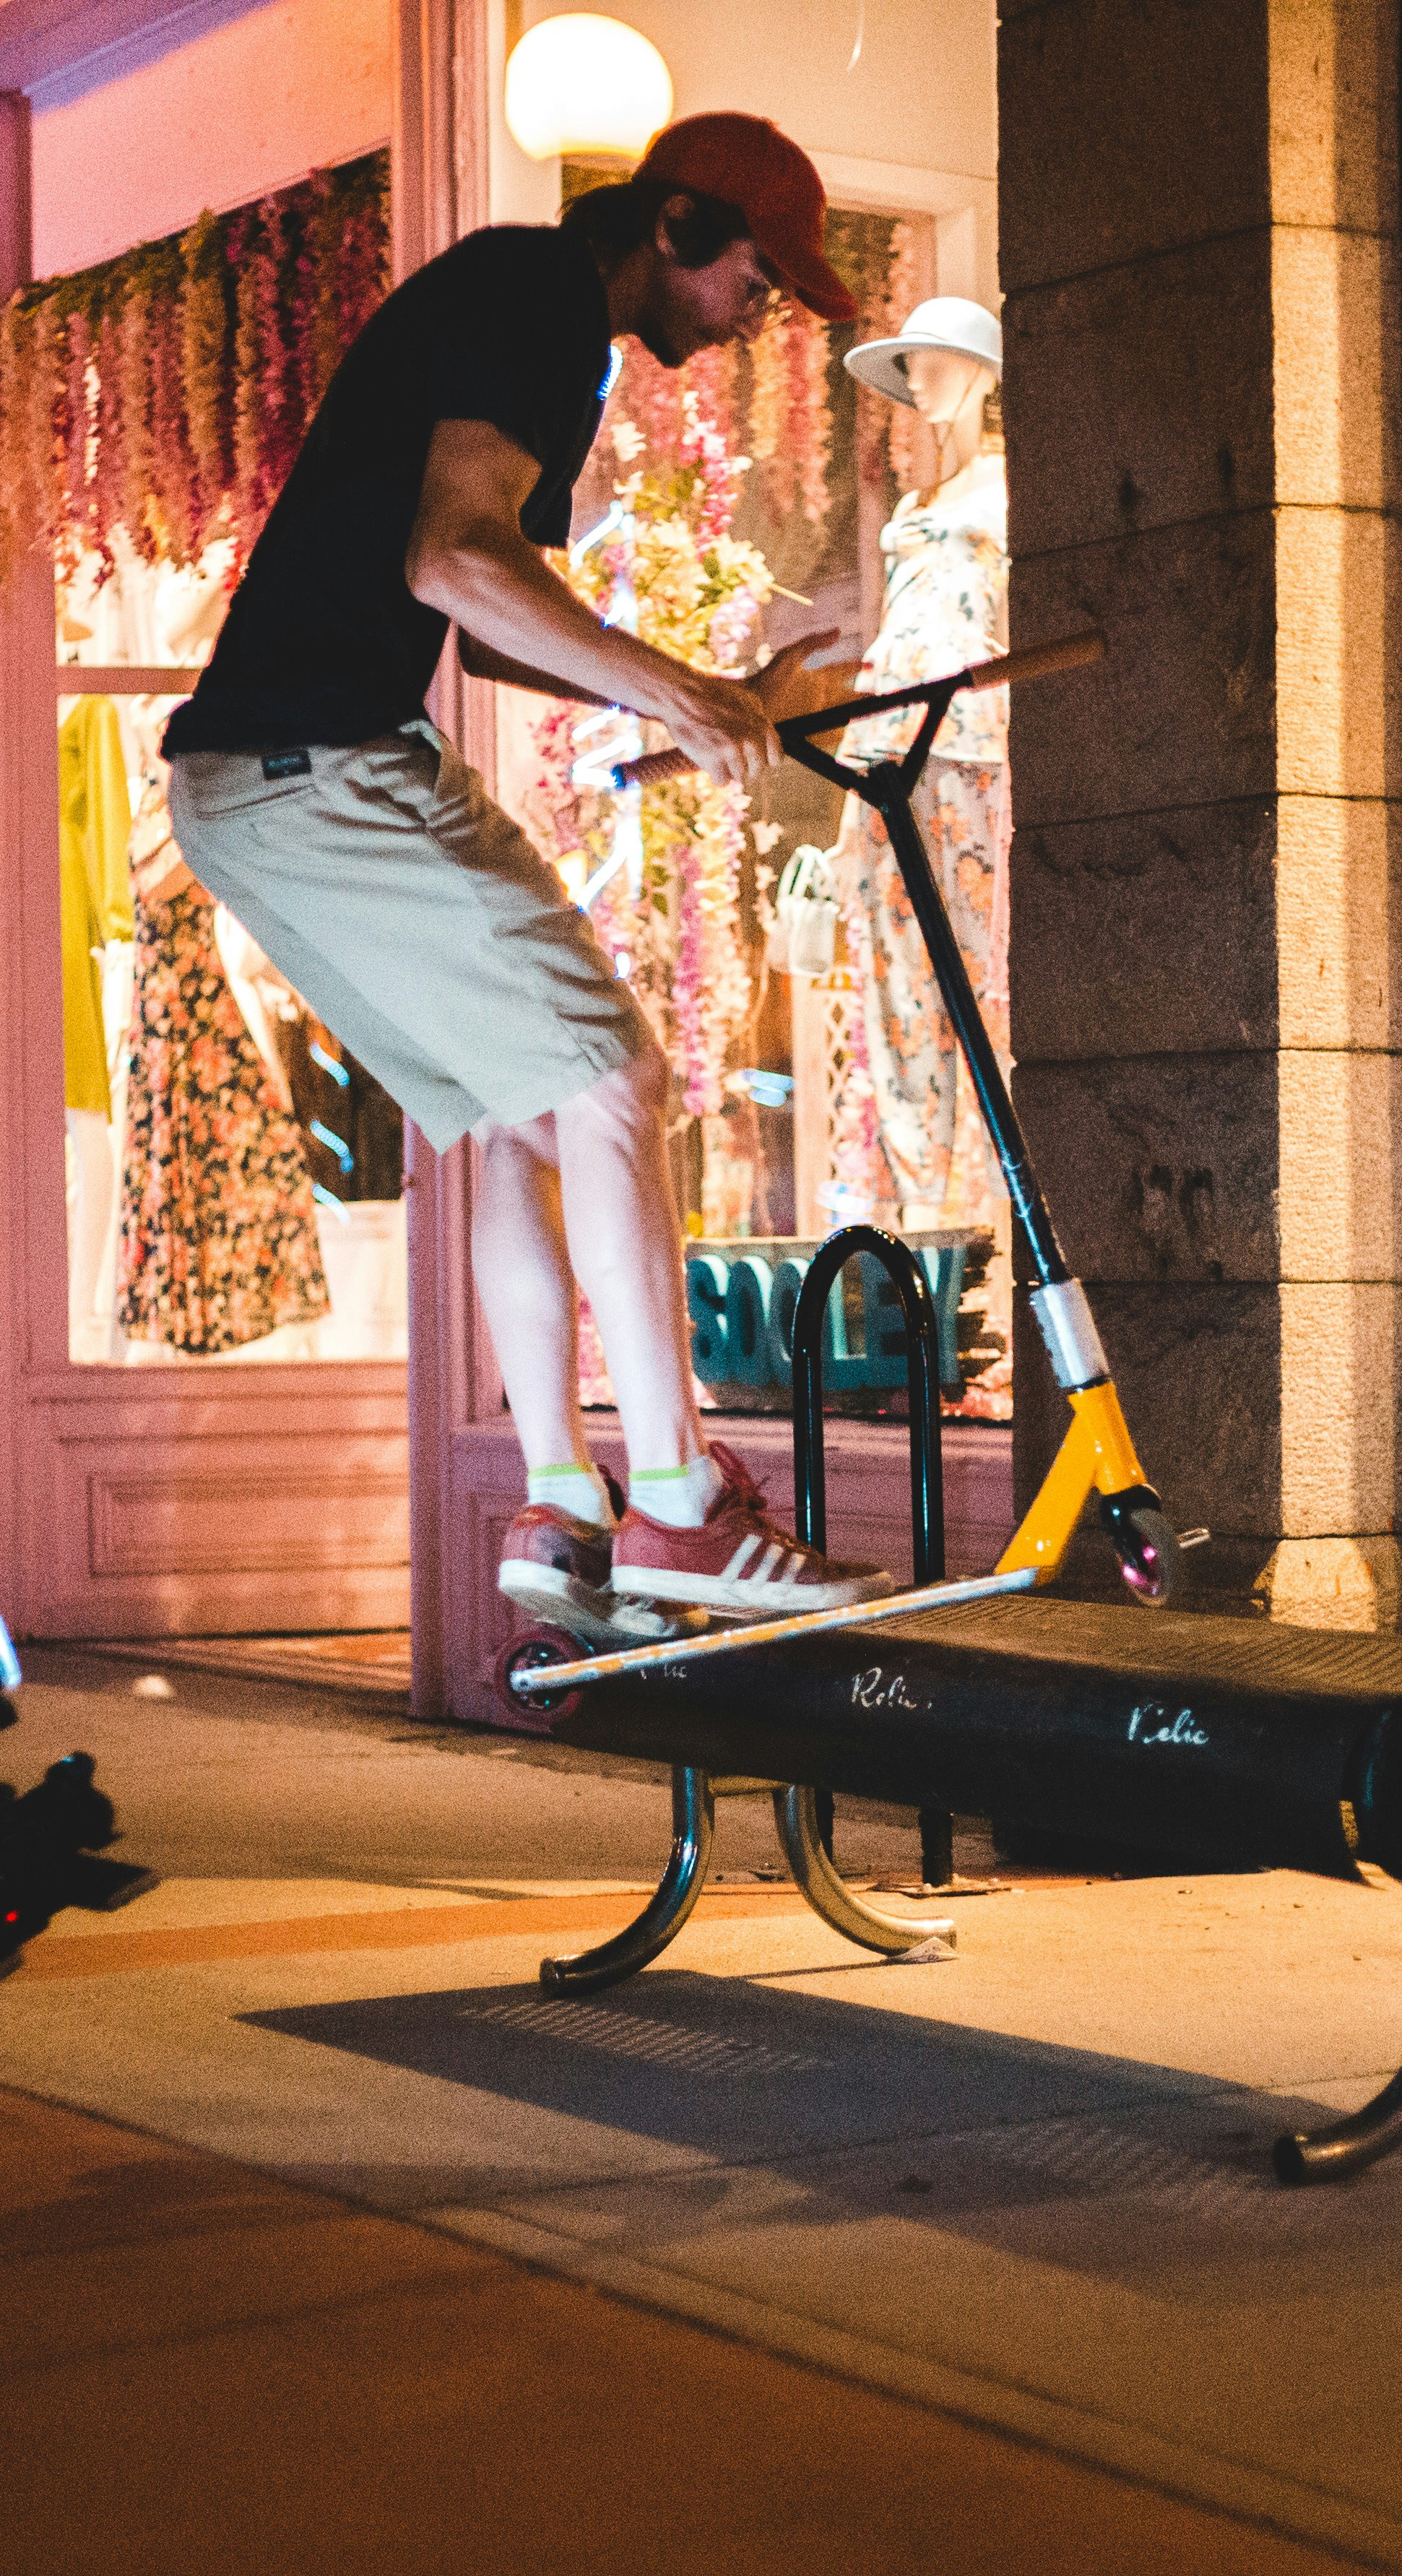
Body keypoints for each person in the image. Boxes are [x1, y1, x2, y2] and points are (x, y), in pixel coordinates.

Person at [163, 111, 893, 1641]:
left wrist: (704, 683)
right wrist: (685, 697)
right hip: (324, 765)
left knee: (517, 1119)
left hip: (257, 786)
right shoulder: (539, 301)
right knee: (615, 1080)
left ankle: (564, 1500)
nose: (760, 311)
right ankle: (681, 1515)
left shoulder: (531, 309)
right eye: (758, 276)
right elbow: (454, 563)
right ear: (680, 226)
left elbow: (491, 620)